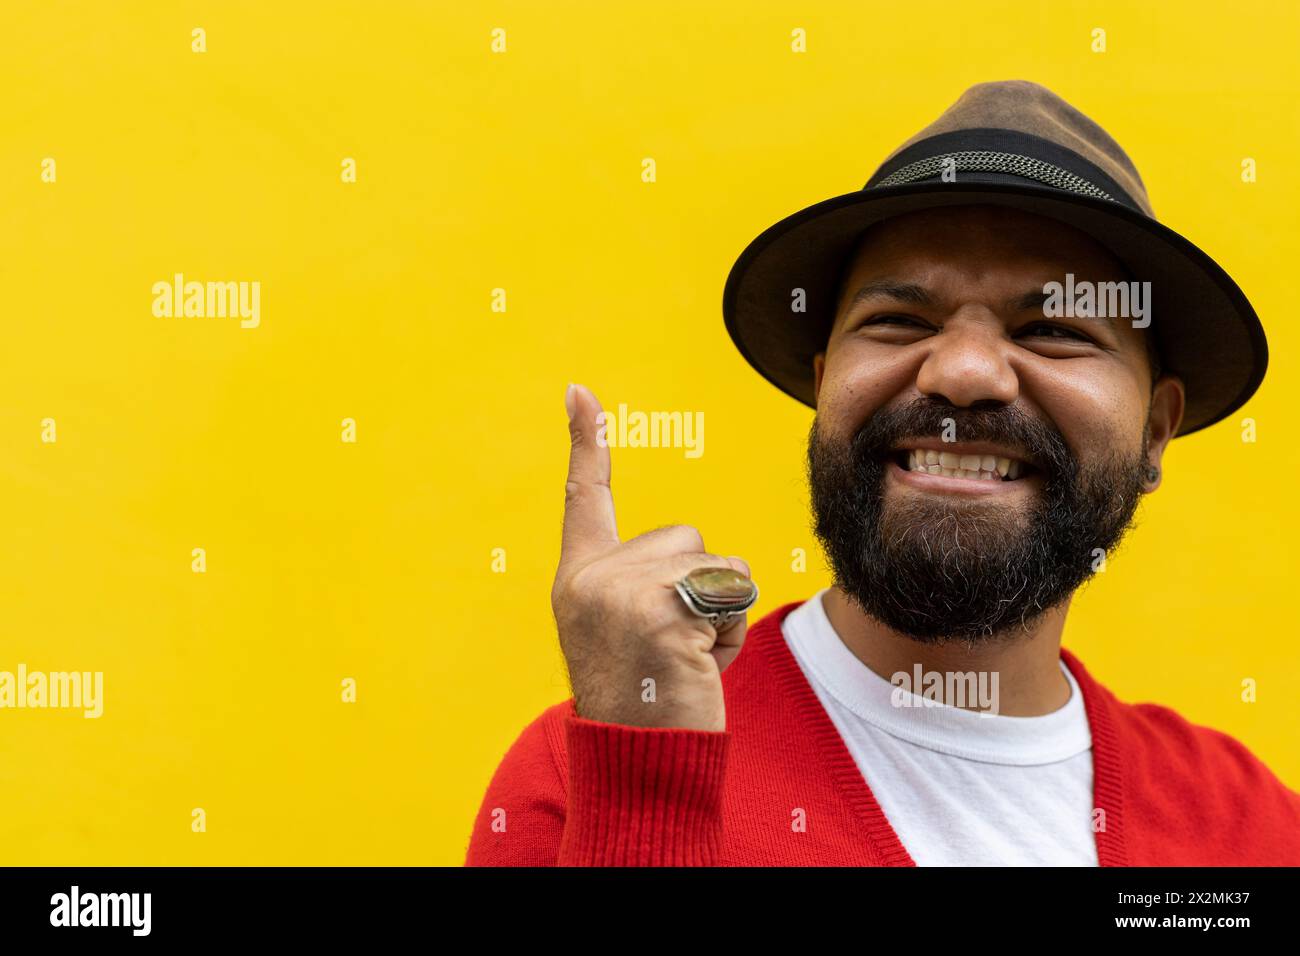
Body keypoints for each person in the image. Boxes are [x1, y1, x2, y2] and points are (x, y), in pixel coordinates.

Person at [465, 80, 1299, 866]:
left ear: (1154, 432)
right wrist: (646, 791)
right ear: (825, 384)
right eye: (899, 320)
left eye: (1054, 330)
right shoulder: (592, 766)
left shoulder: (1253, 831)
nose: (963, 373)